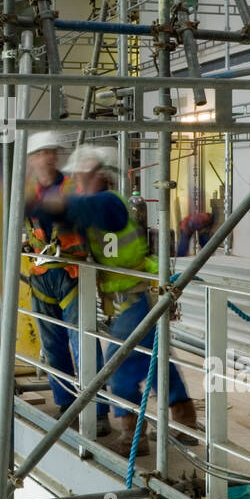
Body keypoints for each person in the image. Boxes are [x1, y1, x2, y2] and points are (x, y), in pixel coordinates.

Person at [59, 145, 200, 454]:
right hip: (134, 296)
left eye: (81, 175)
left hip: (137, 297)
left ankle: (130, 433)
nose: (76, 181)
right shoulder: (101, 205)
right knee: (158, 361)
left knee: (118, 366)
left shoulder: (107, 204)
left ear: (98, 176)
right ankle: (185, 422)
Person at [22, 132, 110, 436]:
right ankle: (65, 403)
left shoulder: (72, 188)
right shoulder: (27, 193)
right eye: (42, 152)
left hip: (73, 273)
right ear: (32, 159)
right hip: (41, 275)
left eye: (52, 151)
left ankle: (97, 410)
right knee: (52, 345)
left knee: (83, 343)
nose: (48, 157)